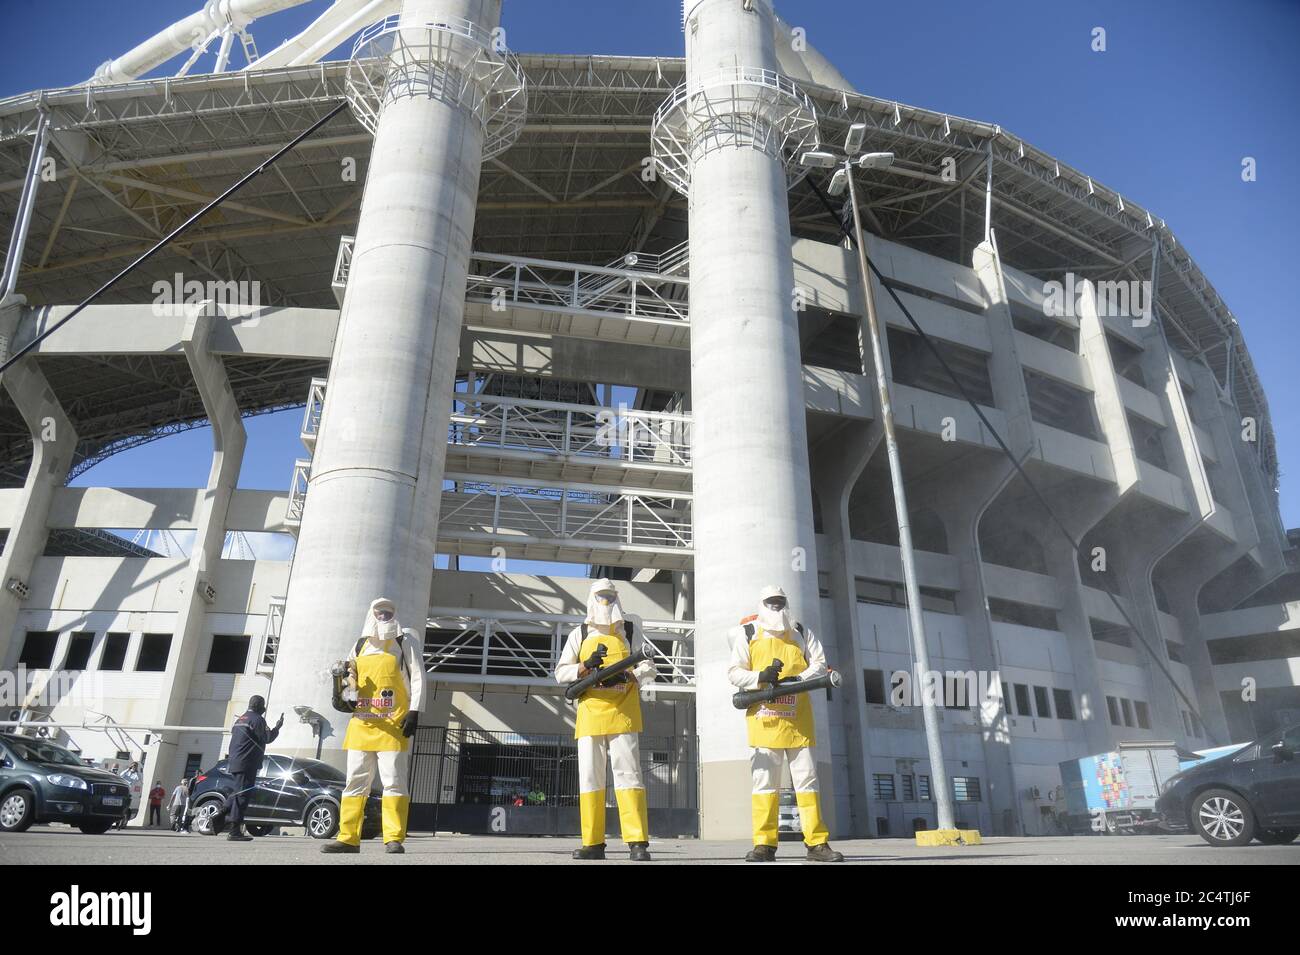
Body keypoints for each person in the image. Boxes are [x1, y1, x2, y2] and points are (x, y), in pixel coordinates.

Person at [728, 585, 844, 863]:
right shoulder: (748, 634)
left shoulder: (801, 632)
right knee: (764, 783)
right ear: (762, 603)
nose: (777, 607)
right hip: (764, 720)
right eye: (771, 602)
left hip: (798, 722)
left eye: (781, 602)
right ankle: (764, 845)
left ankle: (817, 844)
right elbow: (734, 673)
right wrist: (760, 676)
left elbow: (820, 663)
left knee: (807, 782)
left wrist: (797, 679)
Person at [554, 578, 656, 861]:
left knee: (629, 774)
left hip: (624, 711)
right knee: (589, 777)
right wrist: (586, 667)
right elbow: (560, 673)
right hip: (590, 714)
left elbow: (649, 665)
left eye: (610, 595)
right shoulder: (580, 632)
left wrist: (633, 674)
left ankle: (637, 842)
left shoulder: (631, 627)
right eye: (600, 596)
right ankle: (593, 843)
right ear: (591, 598)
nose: (606, 601)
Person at [322, 597, 424, 855]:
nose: (383, 617)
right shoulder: (359, 645)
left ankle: (393, 838)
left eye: (388, 613)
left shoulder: (404, 642)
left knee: (394, 781)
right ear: (371, 615)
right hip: (362, 723)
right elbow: (348, 674)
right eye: (379, 613)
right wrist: (343, 687)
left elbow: (420, 676)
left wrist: (414, 712)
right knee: (355, 781)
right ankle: (347, 838)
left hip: (394, 724)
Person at [223, 695, 282, 842]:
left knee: (238, 793)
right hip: (247, 762)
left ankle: (220, 813)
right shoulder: (257, 719)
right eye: (263, 706)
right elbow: (267, 738)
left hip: (235, 761)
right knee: (242, 796)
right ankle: (234, 831)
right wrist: (277, 727)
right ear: (259, 706)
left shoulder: (240, 719)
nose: (264, 708)